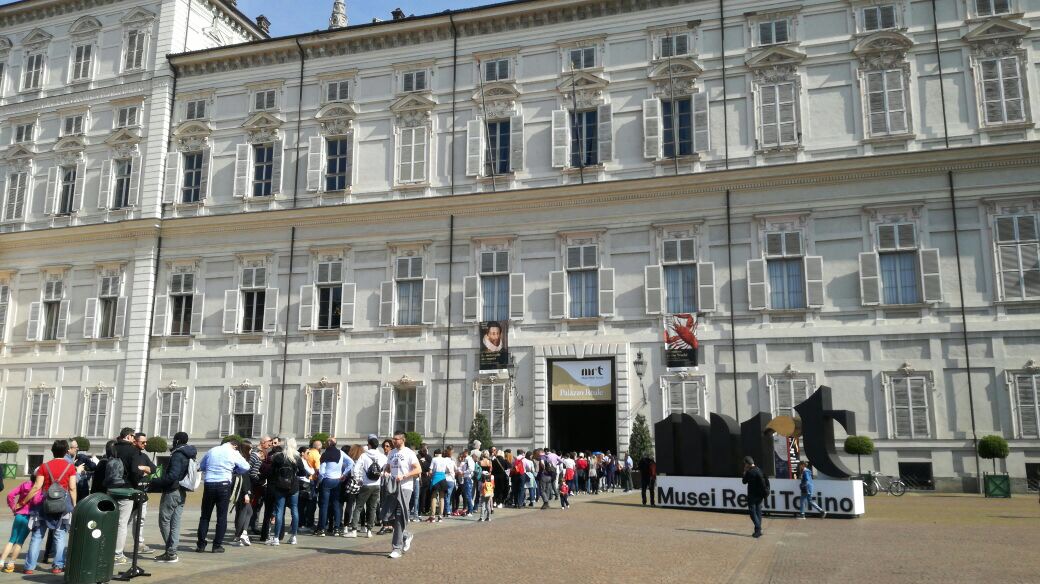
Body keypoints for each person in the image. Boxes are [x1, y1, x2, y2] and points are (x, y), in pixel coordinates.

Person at [20, 440, 77, 575]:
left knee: (37, 536)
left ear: (52, 451)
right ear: (65, 452)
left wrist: (23, 501)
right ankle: (58, 565)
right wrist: (74, 505)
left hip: (44, 505)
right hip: (62, 505)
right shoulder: (70, 467)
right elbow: (73, 488)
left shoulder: (44, 466)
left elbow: (36, 487)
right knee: (59, 535)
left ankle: (29, 567)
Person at [148, 432, 197, 563]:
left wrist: (155, 481)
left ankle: (170, 552)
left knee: (164, 521)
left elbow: (172, 476)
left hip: (172, 491)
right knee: (175, 523)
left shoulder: (178, 454)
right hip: (182, 491)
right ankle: (172, 552)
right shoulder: (189, 453)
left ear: (176, 441)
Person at [197, 437, 250, 553]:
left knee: (205, 516)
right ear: (235, 446)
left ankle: (201, 544)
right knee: (221, 517)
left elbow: (201, 466)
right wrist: (236, 471)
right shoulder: (233, 452)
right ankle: (216, 545)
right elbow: (246, 467)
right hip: (224, 484)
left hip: (209, 483)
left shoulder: (212, 450)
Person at [113, 427, 150, 565]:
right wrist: (142, 471)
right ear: (128, 436)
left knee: (114, 521)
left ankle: (110, 549)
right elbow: (134, 472)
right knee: (122, 523)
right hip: (126, 489)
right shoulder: (132, 450)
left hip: (111, 488)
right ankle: (117, 554)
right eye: (133, 436)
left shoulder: (113, 447)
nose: (134, 439)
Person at [384, 430, 421, 559]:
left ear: (402, 440)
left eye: (396, 439)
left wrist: (405, 476)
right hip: (392, 487)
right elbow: (388, 467)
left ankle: (397, 548)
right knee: (387, 516)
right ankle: (406, 535)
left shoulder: (409, 453)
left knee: (399, 516)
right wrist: (386, 472)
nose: (393, 441)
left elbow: (418, 469)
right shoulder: (391, 453)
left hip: (405, 487)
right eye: (393, 439)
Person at [265, 438, 307, 545]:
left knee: (279, 511)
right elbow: (302, 473)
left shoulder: (278, 457)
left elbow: (272, 472)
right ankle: (293, 536)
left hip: (280, 486)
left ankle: (276, 538)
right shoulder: (296, 457)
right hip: (293, 486)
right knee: (294, 509)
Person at [347, 435, 387, 538]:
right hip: (377, 484)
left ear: (369, 445)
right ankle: (369, 531)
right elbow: (386, 469)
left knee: (359, 507)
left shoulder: (364, 456)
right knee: (372, 508)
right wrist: (381, 475)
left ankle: (354, 530)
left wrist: (358, 480)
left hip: (365, 484)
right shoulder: (382, 456)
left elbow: (356, 469)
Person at [1, 477, 42, 573]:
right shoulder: (39, 488)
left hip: (19, 515)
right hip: (29, 517)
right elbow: (36, 501)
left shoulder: (24, 485)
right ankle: (11, 564)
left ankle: (1, 561)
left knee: (11, 540)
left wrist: (13, 507)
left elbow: (10, 495)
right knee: (19, 542)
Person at [316, 437, 347, 536]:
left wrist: (320, 480)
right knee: (336, 504)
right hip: (337, 480)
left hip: (327, 480)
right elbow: (351, 463)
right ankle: (337, 528)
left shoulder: (325, 454)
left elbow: (322, 471)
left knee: (324, 505)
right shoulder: (341, 453)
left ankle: (322, 529)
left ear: (329, 443)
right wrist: (344, 474)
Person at [230, 441, 254, 547]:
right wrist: (246, 493)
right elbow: (243, 477)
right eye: (250, 448)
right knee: (245, 511)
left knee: (245, 511)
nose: (252, 450)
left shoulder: (239, 458)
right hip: (242, 489)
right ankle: (240, 535)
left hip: (240, 489)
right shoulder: (242, 460)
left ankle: (240, 535)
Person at [742, 456, 769, 538]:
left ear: (747, 464)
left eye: (745, 464)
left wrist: (745, 472)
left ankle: (758, 528)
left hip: (752, 495)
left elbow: (744, 481)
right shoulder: (759, 469)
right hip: (760, 495)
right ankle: (757, 531)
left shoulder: (750, 472)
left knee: (752, 512)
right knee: (758, 512)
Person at [301, 439, 322, 530]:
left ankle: (303, 521)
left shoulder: (308, 453)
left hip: (305, 480)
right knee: (312, 502)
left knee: (303, 503)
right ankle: (309, 522)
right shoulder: (317, 455)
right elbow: (318, 469)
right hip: (312, 480)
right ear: (319, 447)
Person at [428, 449, 449, 522]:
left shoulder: (434, 459)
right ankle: (440, 516)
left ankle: (433, 516)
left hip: (435, 478)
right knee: (442, 498)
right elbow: (447, 470)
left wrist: (430, 475)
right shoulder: (445, 460)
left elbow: (430, 470)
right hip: (443, 478)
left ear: (435, 454)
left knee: (433, 497)